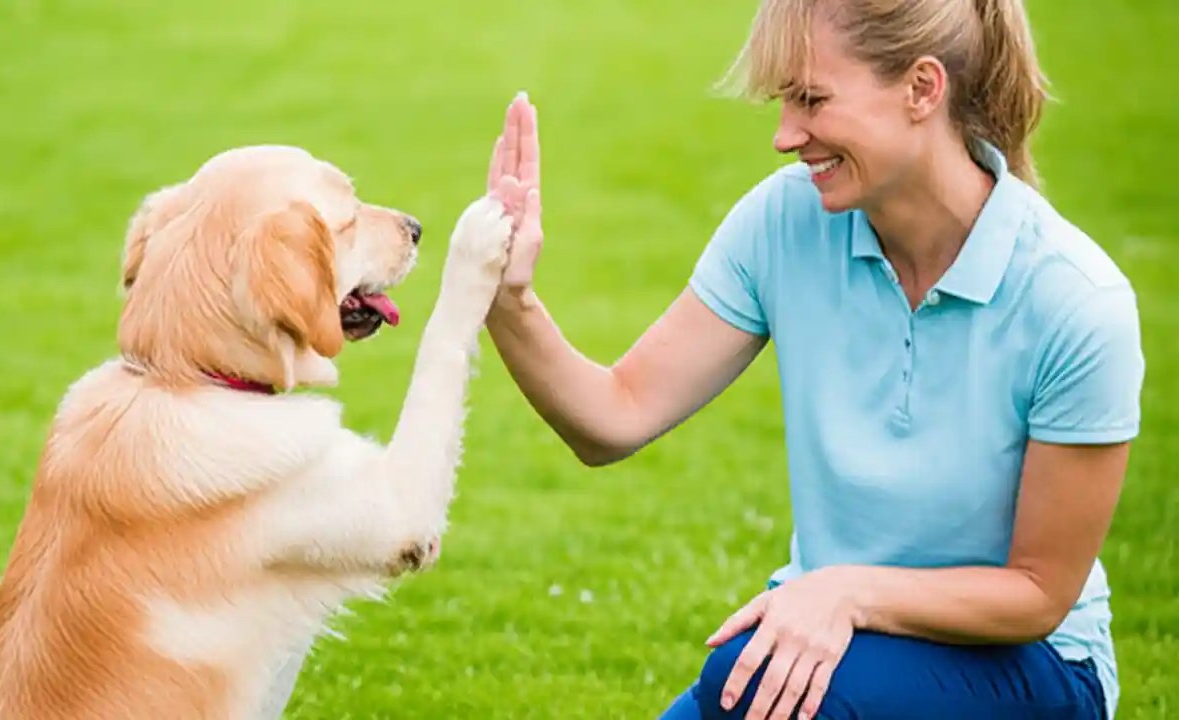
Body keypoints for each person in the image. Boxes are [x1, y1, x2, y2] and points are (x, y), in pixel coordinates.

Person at [481, 0, 1145, 718]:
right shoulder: (784, 224)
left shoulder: (1075, 301)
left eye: (811, 100)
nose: (784, 136)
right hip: (834, 630)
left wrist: (847, 591)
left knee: (752, 688)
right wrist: (507, 298)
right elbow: (614, 416)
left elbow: (1038, 593)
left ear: (922, 89)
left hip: (1030, 665)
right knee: (739, 688)